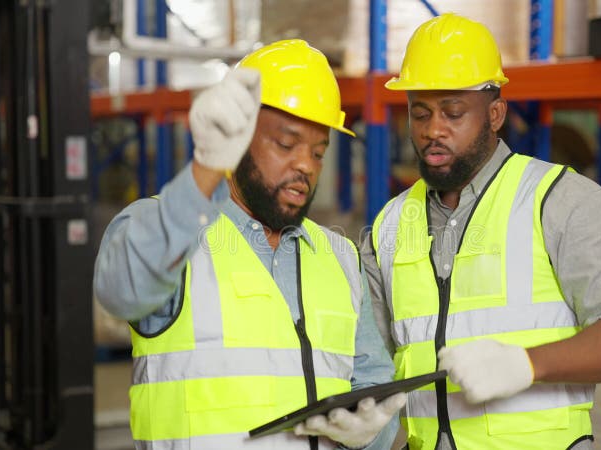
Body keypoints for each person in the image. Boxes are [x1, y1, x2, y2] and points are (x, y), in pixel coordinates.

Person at [360, 14, 601, 450]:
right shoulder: (389, 224)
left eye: (453, 113)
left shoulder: (559, 200)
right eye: (419, 113)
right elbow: (374, 364)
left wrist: (526, 365)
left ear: (495, 114)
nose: (433, 130)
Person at [94, 39, 405, 450]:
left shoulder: (341, 257)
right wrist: (205, 169)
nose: (305, 165)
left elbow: (374, 388)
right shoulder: (168, 230)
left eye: (318, 152)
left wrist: (371, 433)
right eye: (286, 144)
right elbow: (120, 292)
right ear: (238, 139)